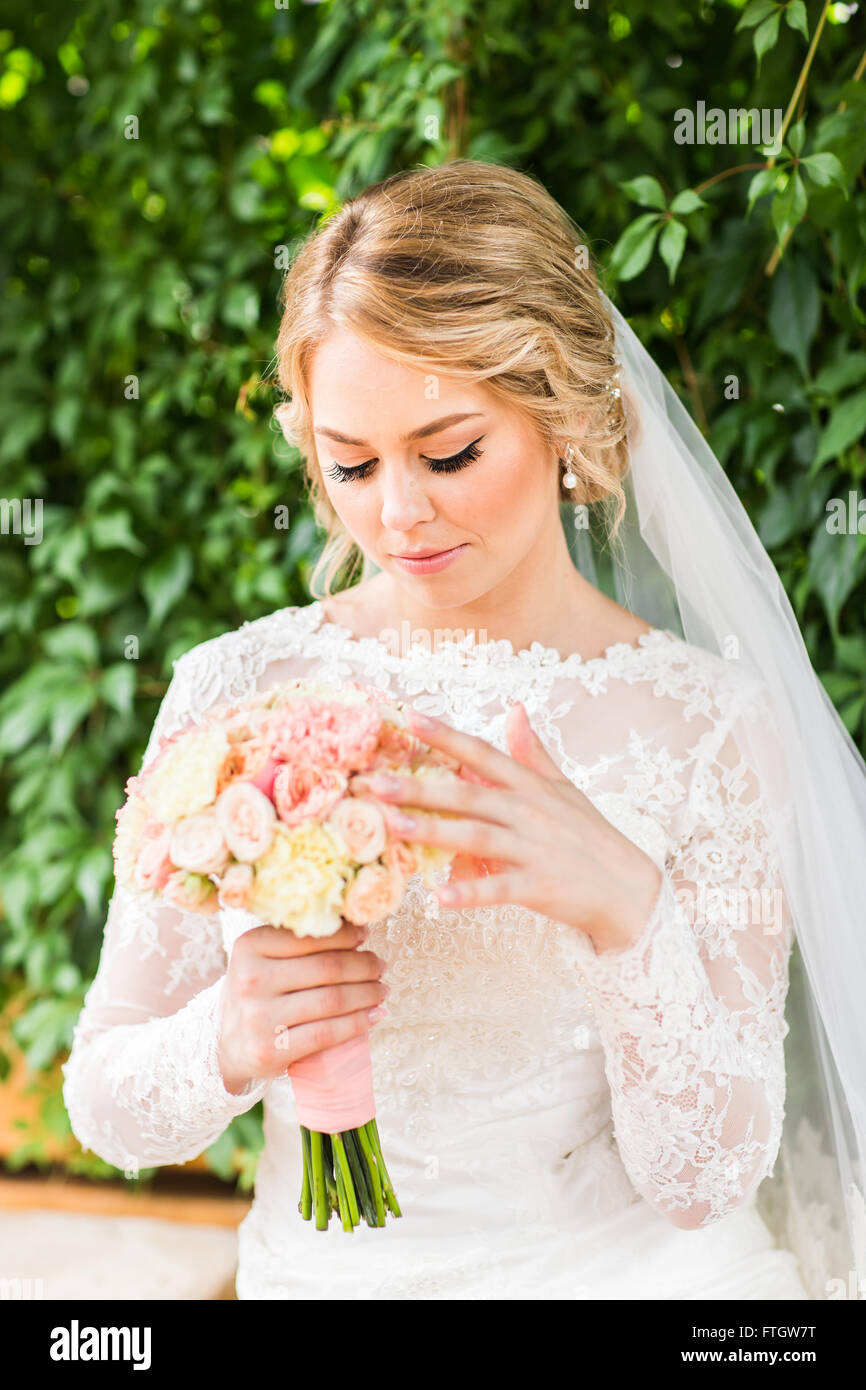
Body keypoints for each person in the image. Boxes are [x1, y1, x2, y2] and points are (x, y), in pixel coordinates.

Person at [62, 160, 865, 1300]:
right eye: (348, 463)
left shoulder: (703, 730)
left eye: (448, 455)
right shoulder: (235, 687)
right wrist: (226, 1038)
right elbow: (106, 1098)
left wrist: (623, 910)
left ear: (567, 417)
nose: (396, 511)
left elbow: (703, 1178)